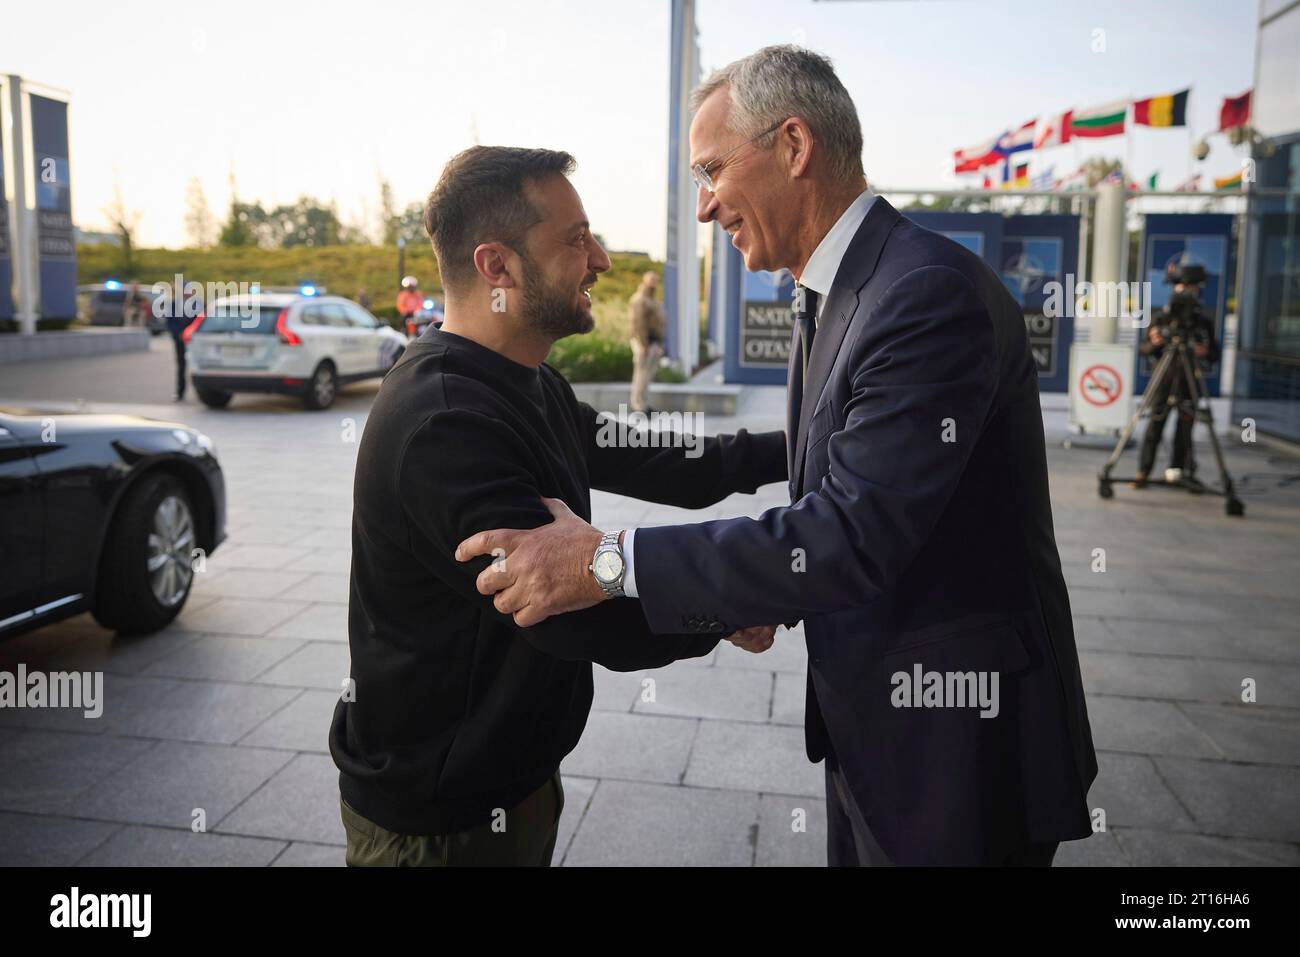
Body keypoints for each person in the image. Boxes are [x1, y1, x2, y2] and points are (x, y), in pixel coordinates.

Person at [460, 46, 1098, 867]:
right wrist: (751, 583)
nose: (702, 207)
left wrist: (607, 562)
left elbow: (850, 532)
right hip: (878, 732)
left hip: (956, 752)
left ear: (794, 146)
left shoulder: (921, 294)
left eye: (712, 170)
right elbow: (834, 477)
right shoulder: (839, 290)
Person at [328, 145, 787, 867]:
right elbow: (577, 617)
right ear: (497, 267)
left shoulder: (528, 382)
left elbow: (662, 457)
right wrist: (737, 596)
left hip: (513, 784)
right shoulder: (444, 423)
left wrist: (800, 445)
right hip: (439, 824)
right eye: (575, 239)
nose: (600, 258)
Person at [1133, 271, 1220, 488]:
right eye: (1181, 288)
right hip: (1164, 380)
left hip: (1189, 382)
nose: (1186, 293)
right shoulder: (1161, 318)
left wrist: (1204, 351)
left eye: (1190, 288)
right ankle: (1143, 472)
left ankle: (1181, 472)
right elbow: (1144, 349)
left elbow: (1214, 354)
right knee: (1155, 426)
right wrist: (1155, 343)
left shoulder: (1202, 322)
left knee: (1185, 430)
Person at [628, 271, 665, 412]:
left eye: (656, 280)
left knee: (647, 375)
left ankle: (644, 403)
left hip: (653, 343)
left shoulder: (652, 299)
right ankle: (638, 406)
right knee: (641, 374)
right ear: (645, 281)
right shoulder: (639, 299)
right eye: (652, 280)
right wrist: (642, 344)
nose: (654, 283)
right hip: (644, 343)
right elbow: (638, 323)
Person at [163, 276, 190, 401]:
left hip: (193, 340)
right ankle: (180, 392)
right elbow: (169, 322)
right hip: (179, 339)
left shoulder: (199, 304)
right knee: (181, 365)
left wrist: (190, 333)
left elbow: (201, 320)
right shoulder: (173, 304)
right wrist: (177, 333)